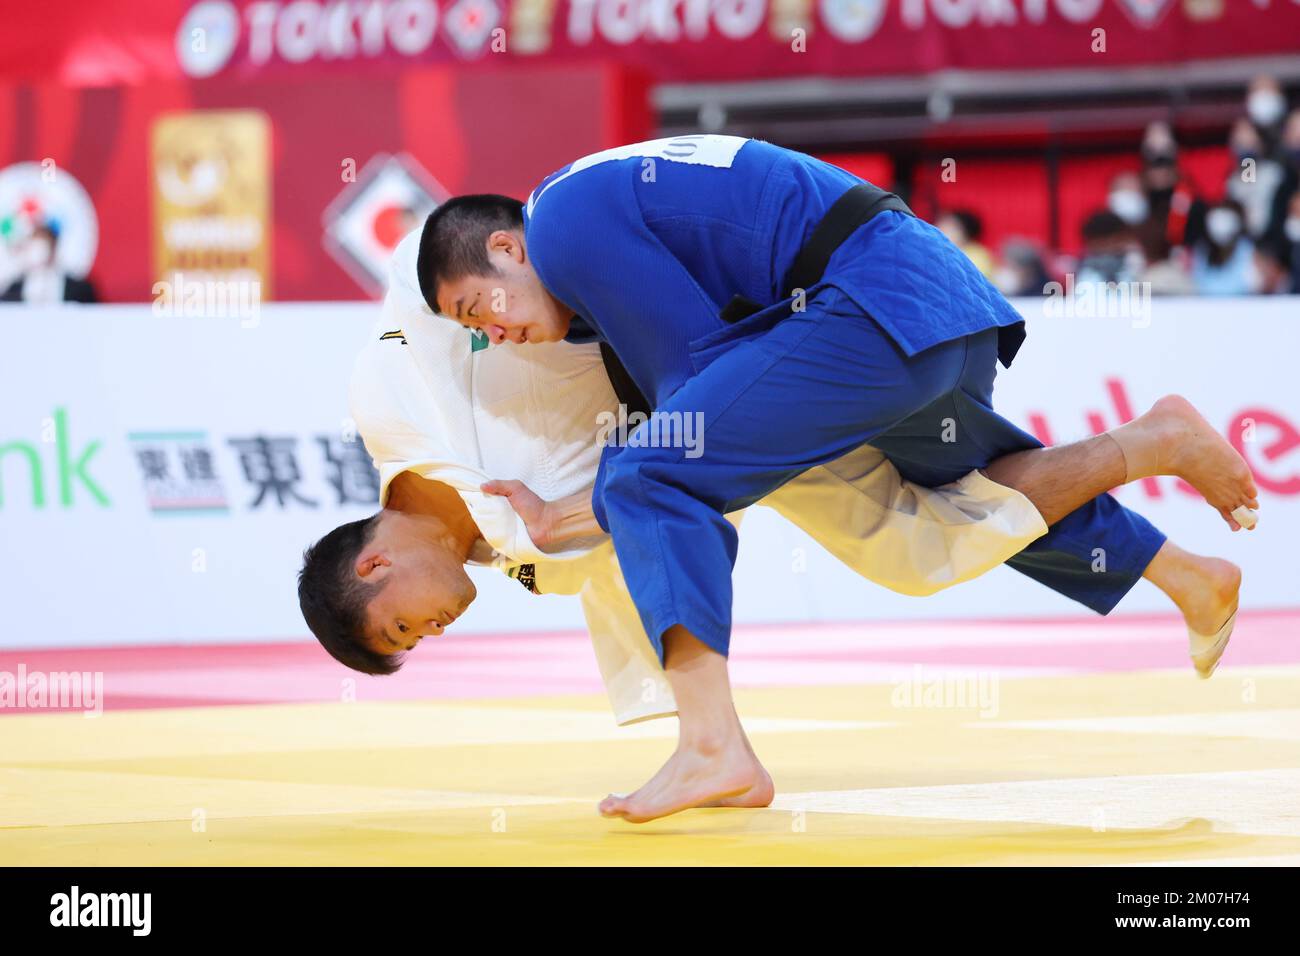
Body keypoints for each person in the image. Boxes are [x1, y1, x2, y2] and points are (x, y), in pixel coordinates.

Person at [417, 136, 1258, 822]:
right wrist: (589, 503)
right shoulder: (589, 229)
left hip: (867, 300)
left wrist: (600, 501)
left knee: (644, 478)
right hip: (929, 303)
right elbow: (703, 412)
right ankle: (1183, 555)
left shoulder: (560, 220)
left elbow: (690, 396)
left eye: (474, 310)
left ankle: (713, 746)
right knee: (969, 496)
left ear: (506, 247)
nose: (493, 337)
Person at [300, 228, 1051, 732]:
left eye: (403, 626)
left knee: (920, 519)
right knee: (917, 552)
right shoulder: (530, 562)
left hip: (689, 316)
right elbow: (649, 533)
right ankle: (1145, 460)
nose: (431, 634)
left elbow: (415, 289)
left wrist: (520, 265)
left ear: (375, 565)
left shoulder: (387, 410)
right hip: (715, 427)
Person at [0, 223, 96, 304]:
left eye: (43, 247)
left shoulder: (79, 289)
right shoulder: (14, 289)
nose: (37, 255)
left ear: (54, 249)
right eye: (34, 248)